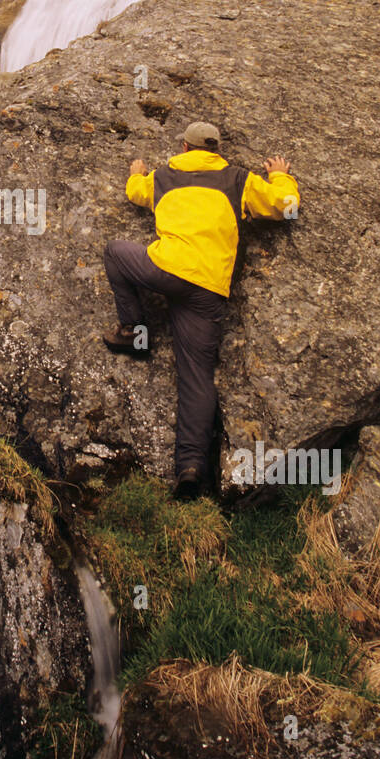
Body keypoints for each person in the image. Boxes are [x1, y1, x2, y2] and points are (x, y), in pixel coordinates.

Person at [102, 121, 300, 498]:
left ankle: (133, 332)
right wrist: (280, 177)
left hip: (164, 269)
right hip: (208, 287)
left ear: (183, 146)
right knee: (196, 376)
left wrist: (136, 173)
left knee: (115, 252)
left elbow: (135, 194)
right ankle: (191, 468)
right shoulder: (238, 179)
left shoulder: (163, 177)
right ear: (216, 150)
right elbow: (286, 207)